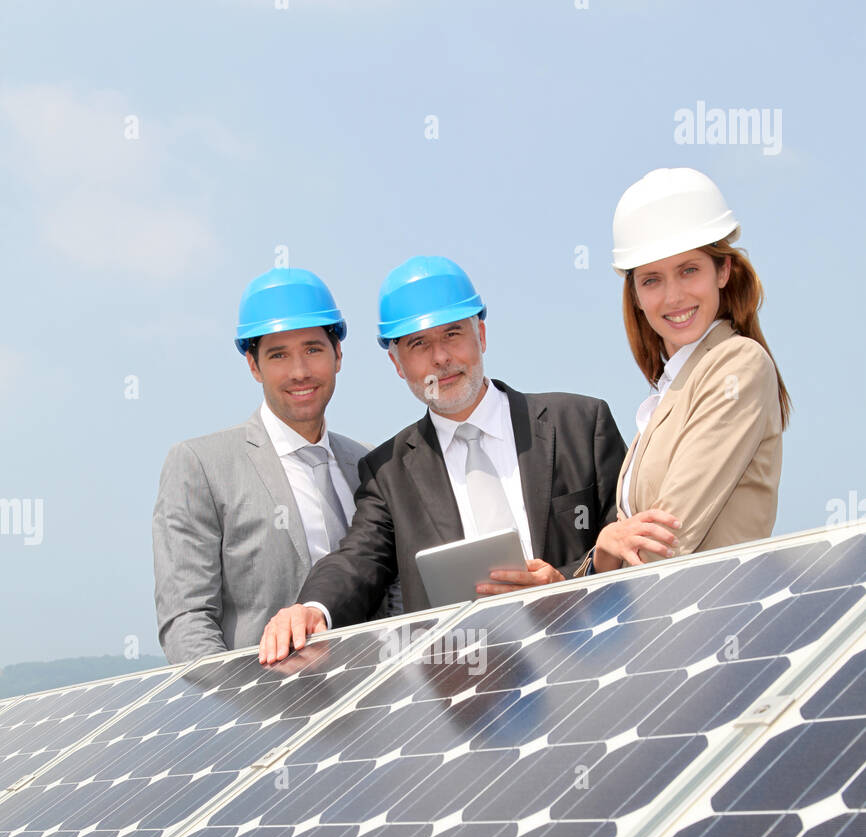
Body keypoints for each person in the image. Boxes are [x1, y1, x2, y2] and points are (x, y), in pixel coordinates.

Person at [258, 255, 626, 663]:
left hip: (591, 661)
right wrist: (312, 608)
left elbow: (627, 538)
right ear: (396, 364)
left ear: (481, 335)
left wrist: (566, 583)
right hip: (467, 692)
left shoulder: (579, 423)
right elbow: (357, 559)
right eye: (418, 344)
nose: (440, 358)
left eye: (453, 334)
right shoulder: (387, 472)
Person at [152, 267, 399, 664]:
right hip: (263, 714)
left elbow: (394, 593)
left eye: (313, 349)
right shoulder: (200, 465)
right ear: (253, 365)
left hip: (373, 711)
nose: (299, 371)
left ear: (338, 355)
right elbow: (187, 621)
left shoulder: (373, 465)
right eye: (278, 355)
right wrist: (246, 711)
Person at [579, 167, 791, 576]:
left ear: (723, 271)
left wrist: (599, 562)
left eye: (689, 269)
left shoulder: (738, 365)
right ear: (636, 295)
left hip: (712, 626)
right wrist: (603, 547)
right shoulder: (671, 392)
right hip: (661, 628)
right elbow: (637, 545)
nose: (674, 296)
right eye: (652, 279)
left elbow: (665, 542)